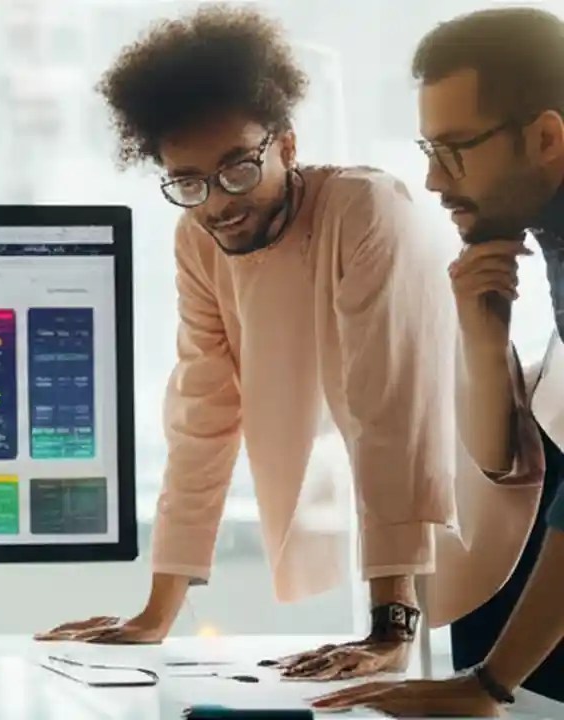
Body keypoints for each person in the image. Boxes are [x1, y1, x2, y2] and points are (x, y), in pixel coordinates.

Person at [35, 5, 546, 681]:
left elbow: (387, 412)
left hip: (490, 502)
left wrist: (389, 622)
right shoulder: (199, 240)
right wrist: (156, 612)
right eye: (188, 182)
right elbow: (202, 417)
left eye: (239, 167)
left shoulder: (366, 209)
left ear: (288, 145)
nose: (219, 202)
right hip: (400, 529)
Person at [314, 8, 564, 716]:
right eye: (429, 148)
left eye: (455, 150)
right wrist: (483, 338)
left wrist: (488, 686)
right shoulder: (537, 232)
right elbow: (501, 465)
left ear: (546, 138)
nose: (429, 180)